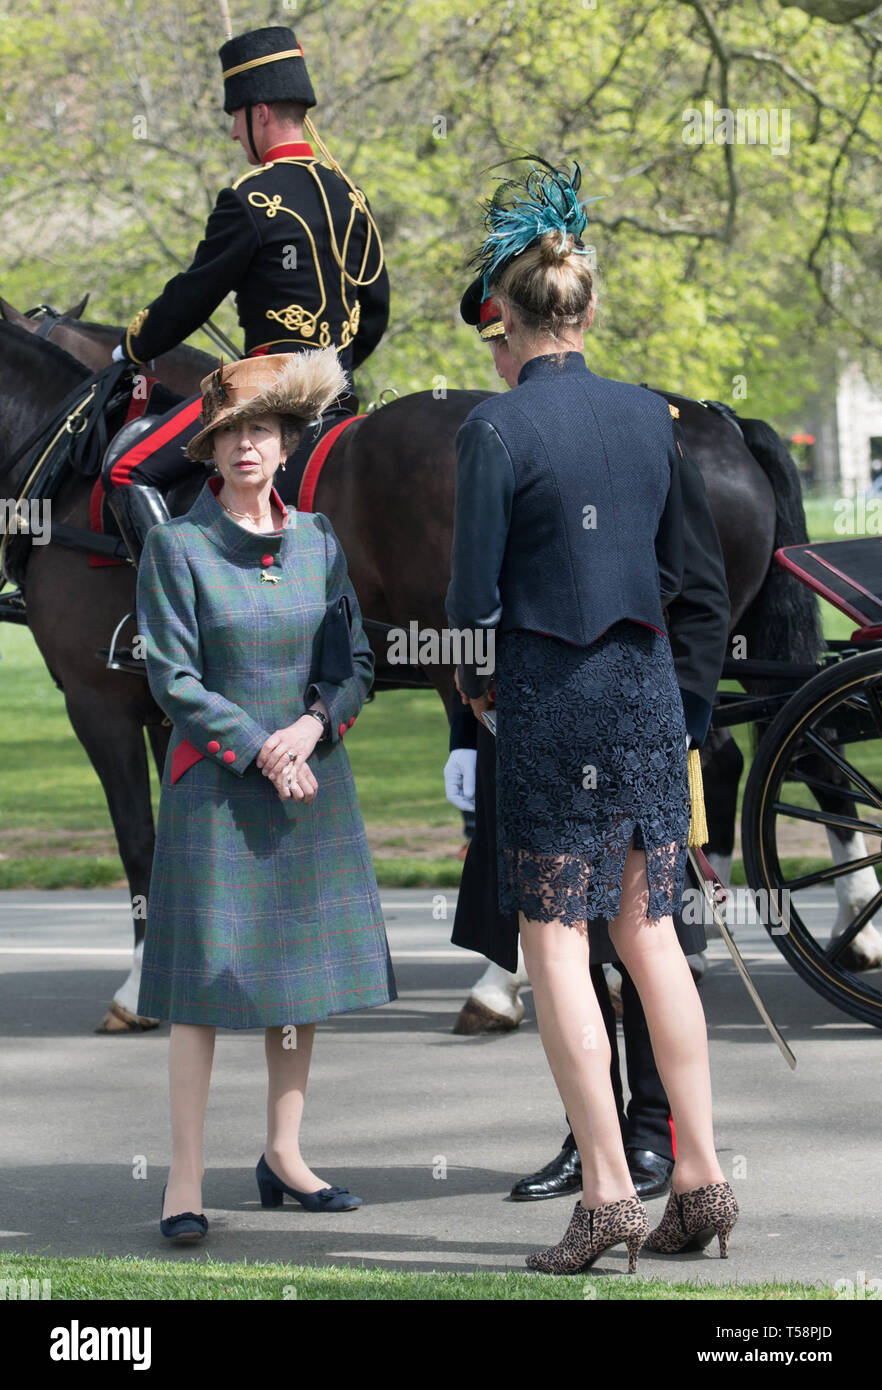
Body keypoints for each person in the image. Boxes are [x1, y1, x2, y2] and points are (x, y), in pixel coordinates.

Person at [445, 159, 738, 1275]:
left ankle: (611, 1190)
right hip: (647, 694)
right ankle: (703, 1177)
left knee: (555, 940)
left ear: (505, 322)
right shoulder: (647, 416)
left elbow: (471, 602)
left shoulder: (496, 429)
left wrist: (479, 691)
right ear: (586, 310)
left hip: (550, 700)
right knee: (651, 934)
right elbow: (680, 573)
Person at [134, 347, 396, 1240]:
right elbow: (172, 678)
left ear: (286, 442)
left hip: (308, 779)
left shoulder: (321, 539)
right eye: (227, 435)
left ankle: (285, 1155)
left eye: (260, 430)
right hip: (215, 786)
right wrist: (258, 746)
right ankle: (183, 1180)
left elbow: (354, 664)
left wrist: (313, 728)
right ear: (207, 453)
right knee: (204, 987)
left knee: (296, 986)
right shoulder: (177, 547)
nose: (245, 446)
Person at [105, 23, 389, 562]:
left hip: (267, 389)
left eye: (236, 118)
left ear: (259, 113)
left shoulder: (250, 198)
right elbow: (375, 310)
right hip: (341, 395)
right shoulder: (351, 195)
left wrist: (132, 348)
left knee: (126, 468)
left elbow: (192, 295)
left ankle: (178, 604)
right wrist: (332, 373)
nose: (234, 134)